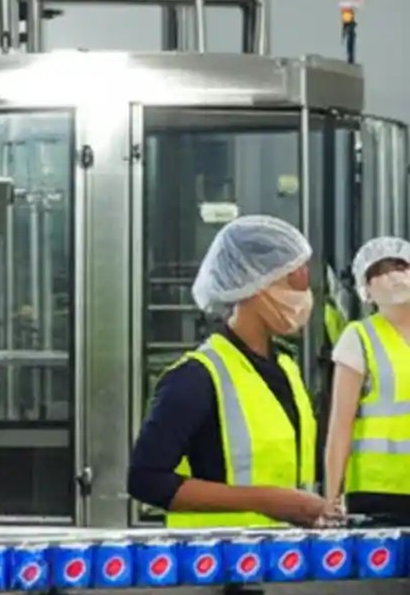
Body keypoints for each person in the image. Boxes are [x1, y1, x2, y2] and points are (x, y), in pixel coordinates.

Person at [128, 215, 340, 528]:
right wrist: (266, 501)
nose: (304, 296)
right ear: (254, 284)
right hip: (215, 565)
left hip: (279, 563)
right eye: (294, 281)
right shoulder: (195, 378)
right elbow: (146, 480)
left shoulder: (285, 367)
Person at [324, 237, 410, 523]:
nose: (392, 278)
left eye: (400, 266)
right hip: (378, 492)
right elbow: (340, 424)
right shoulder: (359, 338)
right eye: (379, 273)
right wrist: (331, 499)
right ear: (367, 291)